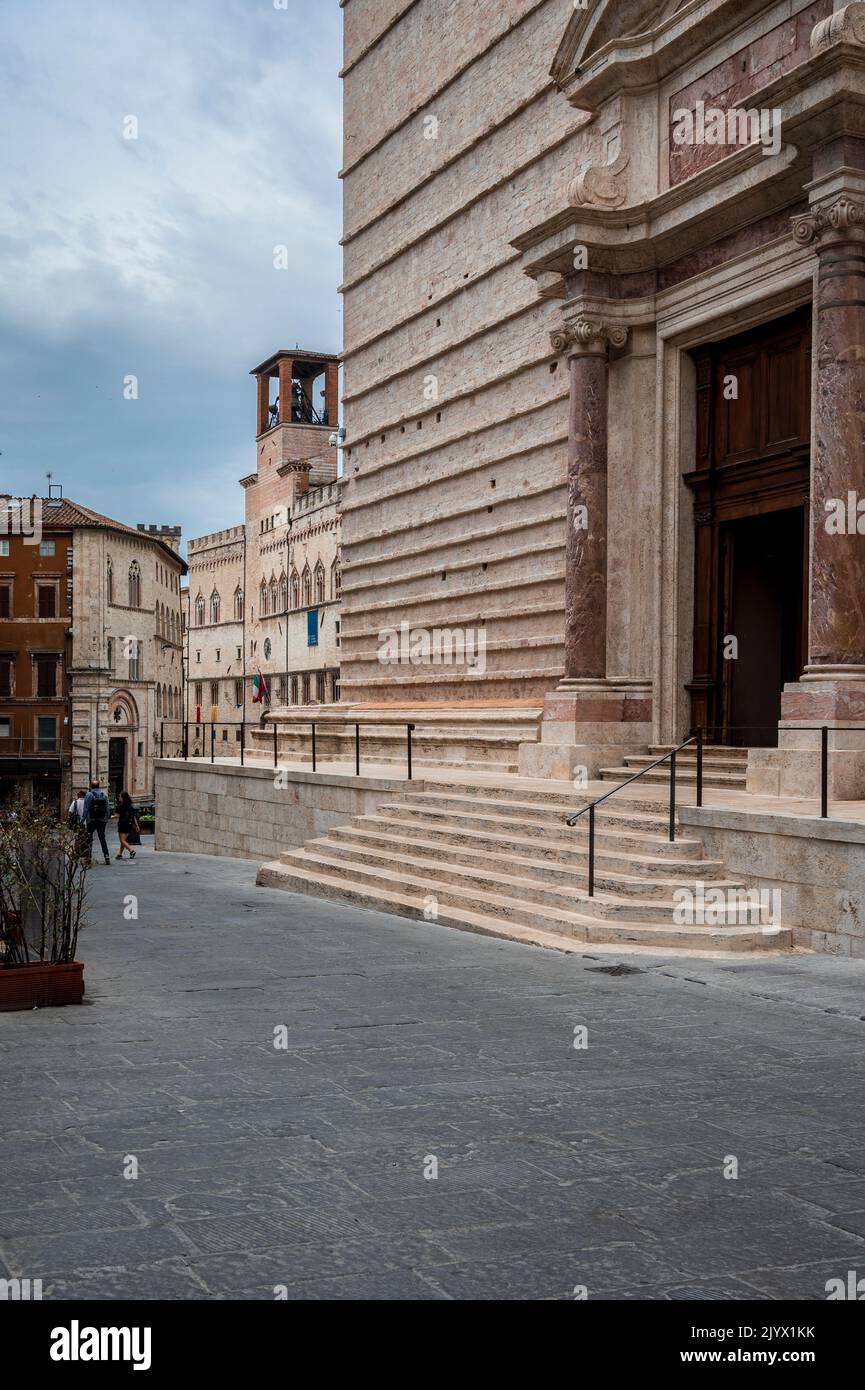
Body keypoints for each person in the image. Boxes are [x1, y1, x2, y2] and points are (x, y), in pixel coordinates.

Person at [83, 779, 111, 865]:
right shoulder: (104, 795)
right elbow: (107, 809)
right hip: (102, 820)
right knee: (102, 838)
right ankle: (106, 856)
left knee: (89, 839)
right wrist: (106, 819)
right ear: (99, 786)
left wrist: (82, 820)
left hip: (91, 820)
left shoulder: (89, 794)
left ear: (91, 786)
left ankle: (88, 857)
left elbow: (86, 808)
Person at [115, 790, 139, 860]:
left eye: (119, 796)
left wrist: (112, 817)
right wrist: (137, 825)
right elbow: (133, 816)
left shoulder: (120, 806)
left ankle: (131, 851)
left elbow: (118, 815)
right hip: (129, 824)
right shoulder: (130, 806)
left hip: (122, 823)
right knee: (124, 840)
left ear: (123, 798)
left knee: (122, 840)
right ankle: (120, 854)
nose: (118, 798)